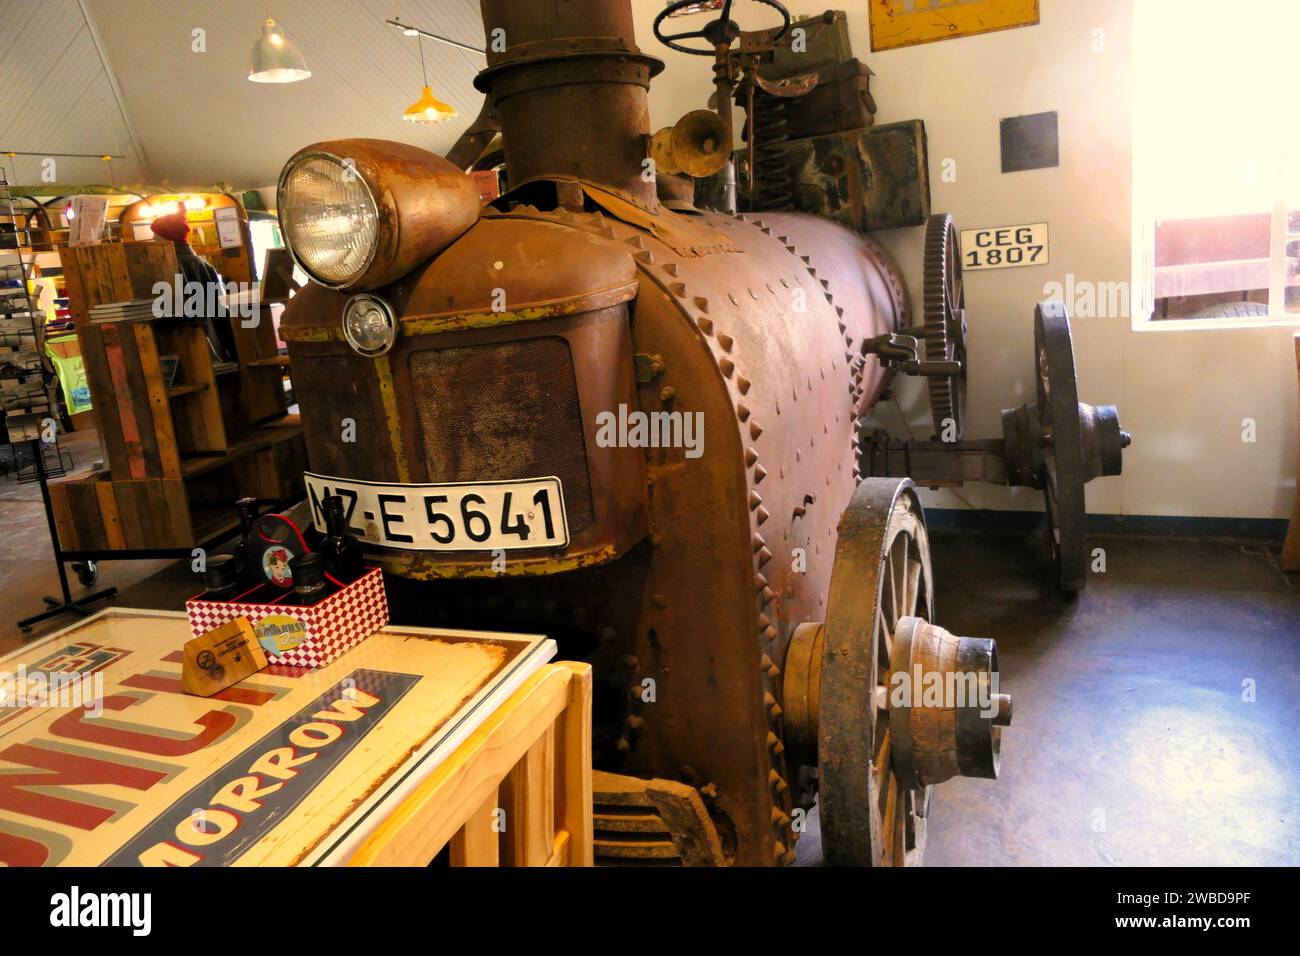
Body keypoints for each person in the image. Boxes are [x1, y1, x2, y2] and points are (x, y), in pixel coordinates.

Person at [151, 208, 236, 364]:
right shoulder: (203, 264)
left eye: (156, 236)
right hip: (214, 341)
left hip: (188, 344)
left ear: (168, 238)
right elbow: (221, 311)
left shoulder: (169, 266)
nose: (153, 240)